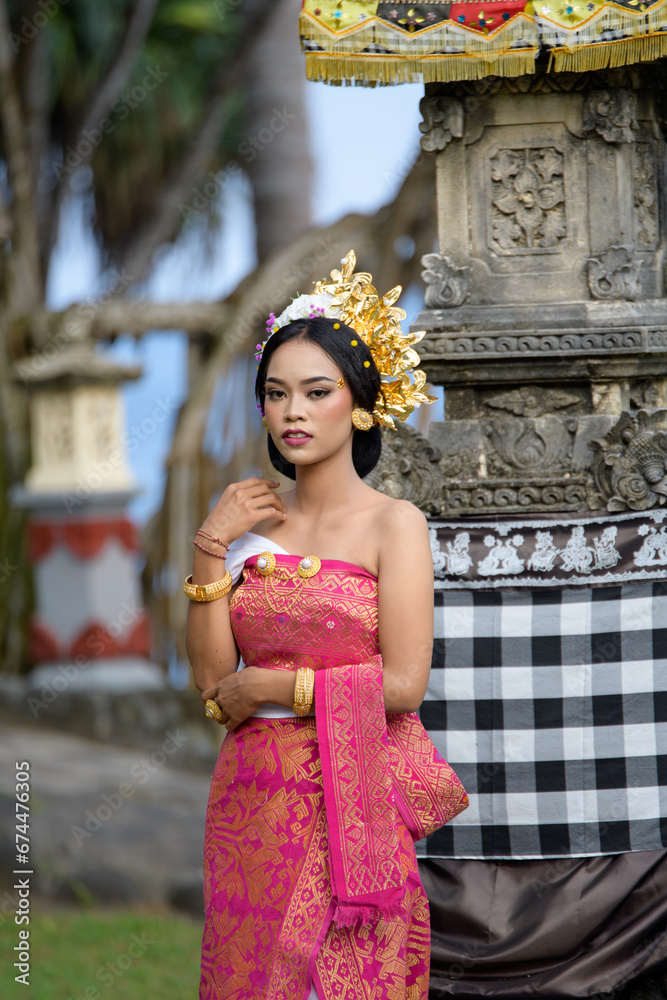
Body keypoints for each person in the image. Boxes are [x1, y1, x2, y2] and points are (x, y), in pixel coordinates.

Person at [185, 252, 468, 1000]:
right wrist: (210, 545)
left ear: (359, 402)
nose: (293, 412)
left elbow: (405, 685)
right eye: (275, 395)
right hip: (250, 797)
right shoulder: (246, 528)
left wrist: (277, 684)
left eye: (316, 392)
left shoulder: (393, 525)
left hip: (350, 803)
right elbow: (214, 686)